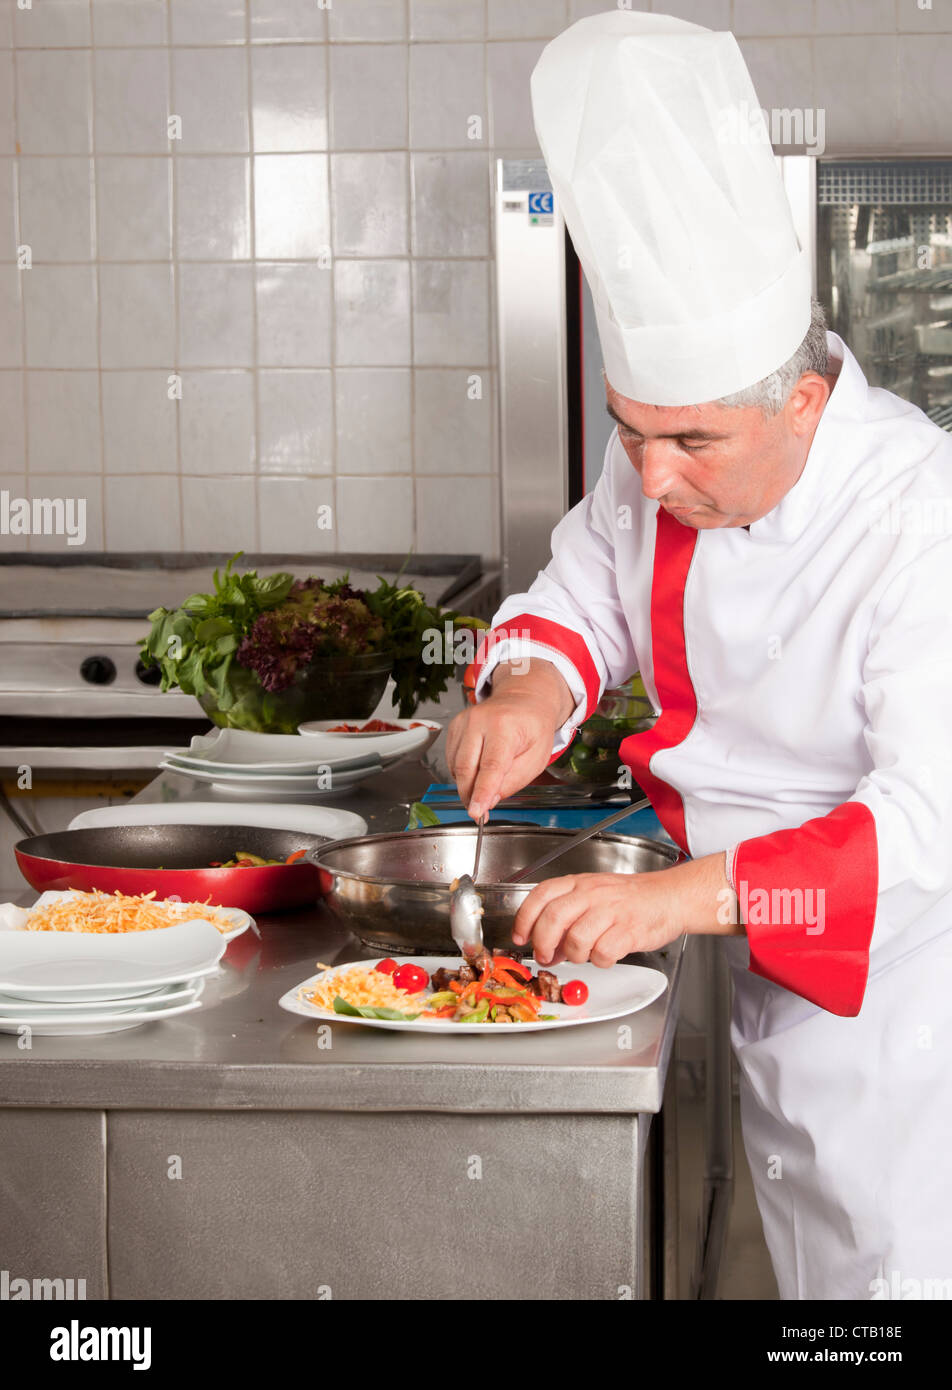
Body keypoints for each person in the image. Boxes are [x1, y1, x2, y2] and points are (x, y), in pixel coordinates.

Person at [447, 11, 952, 1301]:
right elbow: (583, 590)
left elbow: (925, 825)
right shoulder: (666, 462)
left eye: (690, 445)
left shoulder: (919, 514)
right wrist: (529, 686)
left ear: (803, 397)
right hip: (775, 982)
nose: (651, 478)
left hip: (912, 1018)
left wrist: (676, 901)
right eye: (630, 434)